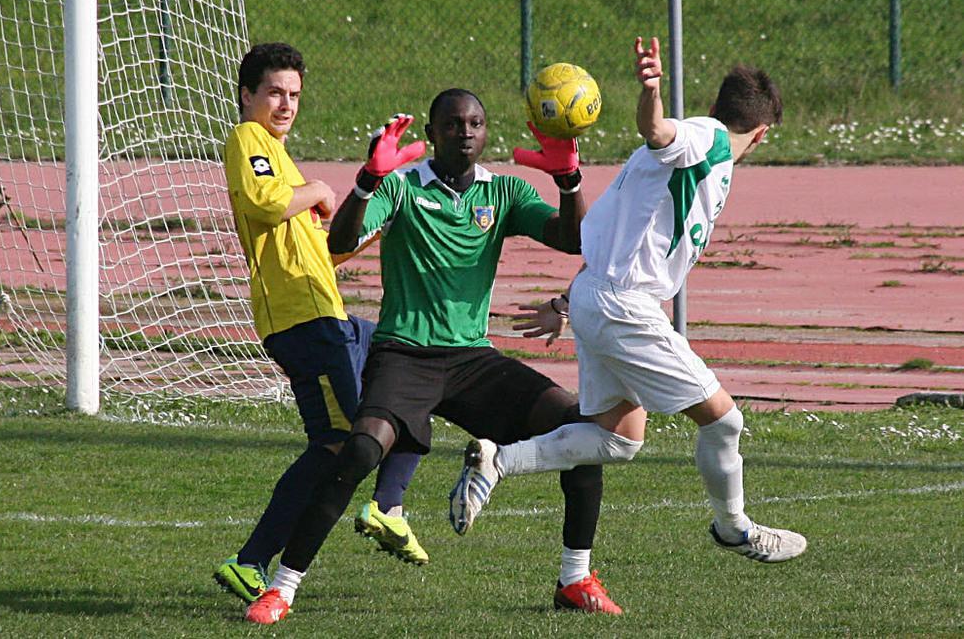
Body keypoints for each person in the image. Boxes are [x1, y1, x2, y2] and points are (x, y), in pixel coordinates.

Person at [242, 88, 640, 625]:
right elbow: (341, 237)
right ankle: (282, 588)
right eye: (452, 124)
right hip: (404, 355)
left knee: (579, 429)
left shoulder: (502, 193)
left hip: (473, 360)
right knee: (359, 451)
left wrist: (568, 181)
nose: (466, 132)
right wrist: (368, 180)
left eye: (475, 123)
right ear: (432, 135)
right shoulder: (403, 186)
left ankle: (575, 579)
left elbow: (573, 241)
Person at [453, 36, 807, 565]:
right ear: (762, 133)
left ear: (716, 104)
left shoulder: (686, 159)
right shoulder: (705, 139)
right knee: (724, 421)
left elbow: (618, 235)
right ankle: (733, 528)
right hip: (624, 306)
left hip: (601, 296)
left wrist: (567, 299)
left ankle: (497, 460)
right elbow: (659, 130)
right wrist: (652, 92)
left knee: (618, 438)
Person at [214, 42, 429, 606]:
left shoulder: (281, 157)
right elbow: (266, 205)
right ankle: (259, 558)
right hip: (303, 321)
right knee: (344, 440)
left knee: (404, 377)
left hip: (329, 317)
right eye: (275, 93)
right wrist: (319, 191)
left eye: (294, 95)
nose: (285, 105)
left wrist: (379, 200)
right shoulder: (249, 141)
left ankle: (384, 507)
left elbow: (321, 252)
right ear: (247, 96)